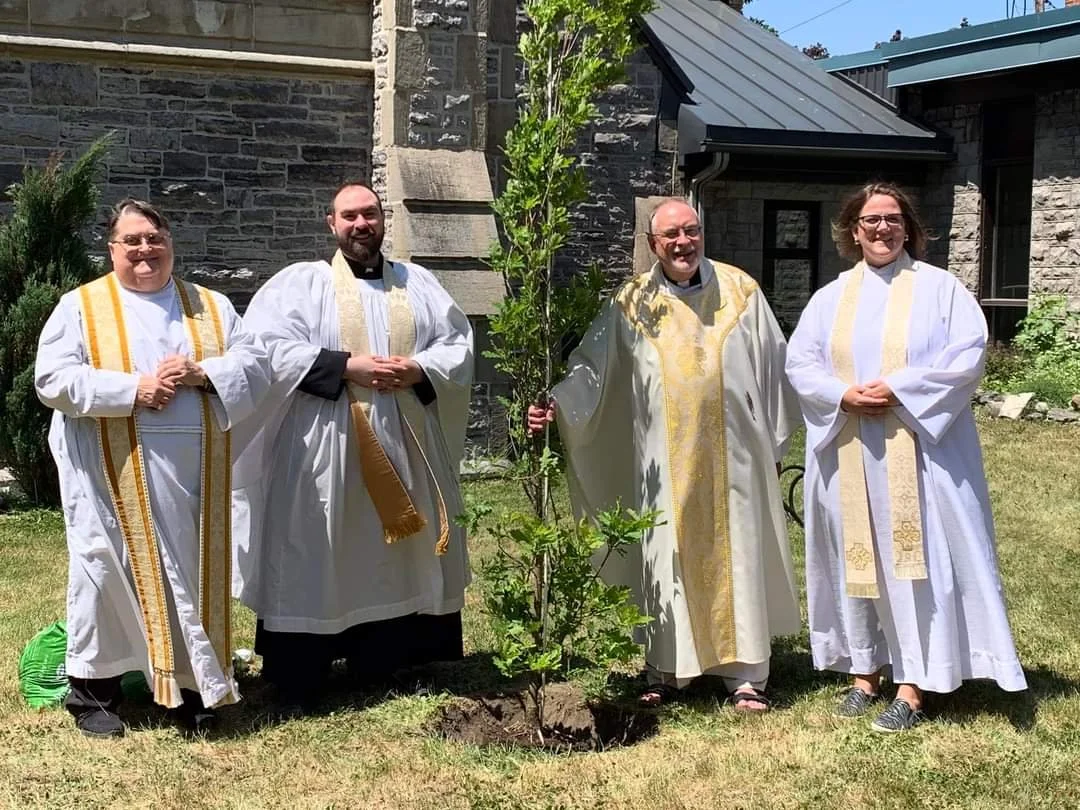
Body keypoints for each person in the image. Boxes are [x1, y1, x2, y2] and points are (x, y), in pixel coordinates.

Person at [527, 198, 802, 711]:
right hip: (661, 462)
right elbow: (593, 366)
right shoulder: (633, 301)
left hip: (735, 459)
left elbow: (775, 368)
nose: (683, 242)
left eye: (691, 231)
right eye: (671, 235)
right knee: (663, 549)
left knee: (737, 548)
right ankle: (667, 668)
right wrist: (558, 403)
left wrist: (773, 443)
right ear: (653, 245)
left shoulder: (742, 292)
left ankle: (744, 676)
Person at [785, 182, 1027, 733]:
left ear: (908, 227)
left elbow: (966, 355)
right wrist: (841, 395)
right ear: (853, 229)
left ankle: (914, 682)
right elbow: (800, 363)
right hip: (849, 450)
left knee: (916, 560)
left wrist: (899, 389)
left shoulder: (941, 291)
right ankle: (863, 670)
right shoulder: (831, 297)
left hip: (919, 454)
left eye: (892, 219)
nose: (881, 229)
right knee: (854, 558)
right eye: (870, 220)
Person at [35, 199, 271, 738]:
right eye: (132, 240)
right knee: (105, 574)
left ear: (170, 243)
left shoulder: (208, 307)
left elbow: (254, 366)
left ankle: (191, 690)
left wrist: (202, 372)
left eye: (155, 238)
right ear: (112, 248)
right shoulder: (82, 307)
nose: (146, 250)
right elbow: (51, 380)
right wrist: (131, 390)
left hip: (192, 480)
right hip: (107, 476)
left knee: (189, 577)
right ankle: (95, 692)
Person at [232, 182, 473, 711]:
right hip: (324, 444)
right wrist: (344, 366)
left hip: (406, 437)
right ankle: (303, 668)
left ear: (383, 219)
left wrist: (419, 368)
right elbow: (264, 349)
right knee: (319, 543)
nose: (361, 224)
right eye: (349, 216)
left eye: (370, 213)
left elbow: (457, 347)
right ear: (331, 224)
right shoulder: (301, 284)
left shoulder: (419, 284)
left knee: (400, 553)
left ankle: (390, 659)